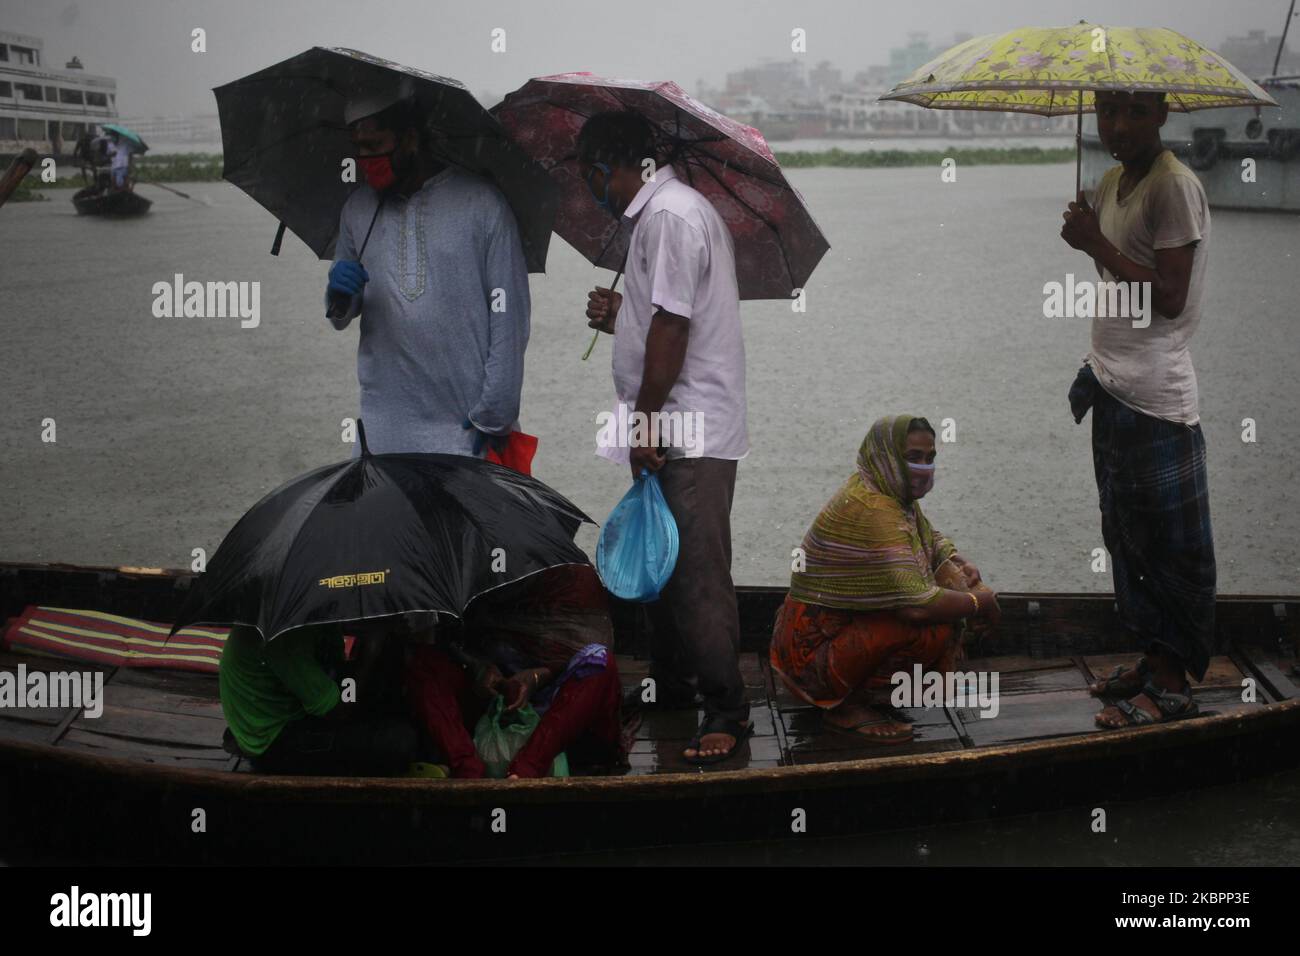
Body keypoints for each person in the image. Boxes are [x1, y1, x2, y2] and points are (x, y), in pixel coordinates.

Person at [578, 110, 752, 765]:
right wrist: (621, 315)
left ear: (609, 165)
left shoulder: (671, 217)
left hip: (688, 429)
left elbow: (675, 332)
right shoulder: (660, 218)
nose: (592, 187)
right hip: (664, 425)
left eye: (590, 173)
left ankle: (727, 712)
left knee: (699, 576)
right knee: (664, 568)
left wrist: (644, 423)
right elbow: (663, 317)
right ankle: (675, 691)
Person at [1059, 90, 1216, 728]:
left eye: (1132, 112)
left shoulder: (1172, 187)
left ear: (1162, 114)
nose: (1116, 125)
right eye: (1106, 112)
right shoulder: (1114, 180)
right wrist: (1091, 234)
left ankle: (1173, 683)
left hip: (1156, 396)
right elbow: (1121, 276)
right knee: (1124, 535)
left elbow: (1171, 297)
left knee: (1168, 545)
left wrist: (1094, 242)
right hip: (1111, 384)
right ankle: (1152, 661)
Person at [770, 416, 1000, 743]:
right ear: (886, 455)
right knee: (932, 627)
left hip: (819, 640)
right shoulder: (875, 510)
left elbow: (928, 538)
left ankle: (861, 692)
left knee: (953, 587)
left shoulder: (881, 489)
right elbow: (915, 606)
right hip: (811, 659)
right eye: (913, 458)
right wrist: (980, 602)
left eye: (929, 459)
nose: (924, 467)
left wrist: (954, 560)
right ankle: (845, 706)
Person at [325, 92, 530, 457]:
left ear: (410, 139)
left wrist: (494, 412)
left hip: (465, 430)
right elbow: (341, 317)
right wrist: (337, 293)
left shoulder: (483, 204)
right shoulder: (357, 209)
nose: (366, 159)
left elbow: (509, 316)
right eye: (358, 148)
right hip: (380, 432)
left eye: (375, 145)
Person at [404, 565, 625, 779]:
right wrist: (480, 670)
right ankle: (467, 768)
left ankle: (526, 769)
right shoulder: (473, 576)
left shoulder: (573, 576)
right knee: (425, 663)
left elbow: (586, 644)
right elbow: (455, 644)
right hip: (490, 707)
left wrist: (539, 676)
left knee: (599, 662)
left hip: (557, 708)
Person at [219, 621, 417, 775]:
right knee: (399, 741)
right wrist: (369, 654)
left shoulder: (317, 621)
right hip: (274, 740)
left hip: (303, 710)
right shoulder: (282, 635)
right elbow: (339, 710)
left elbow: (338, 672)